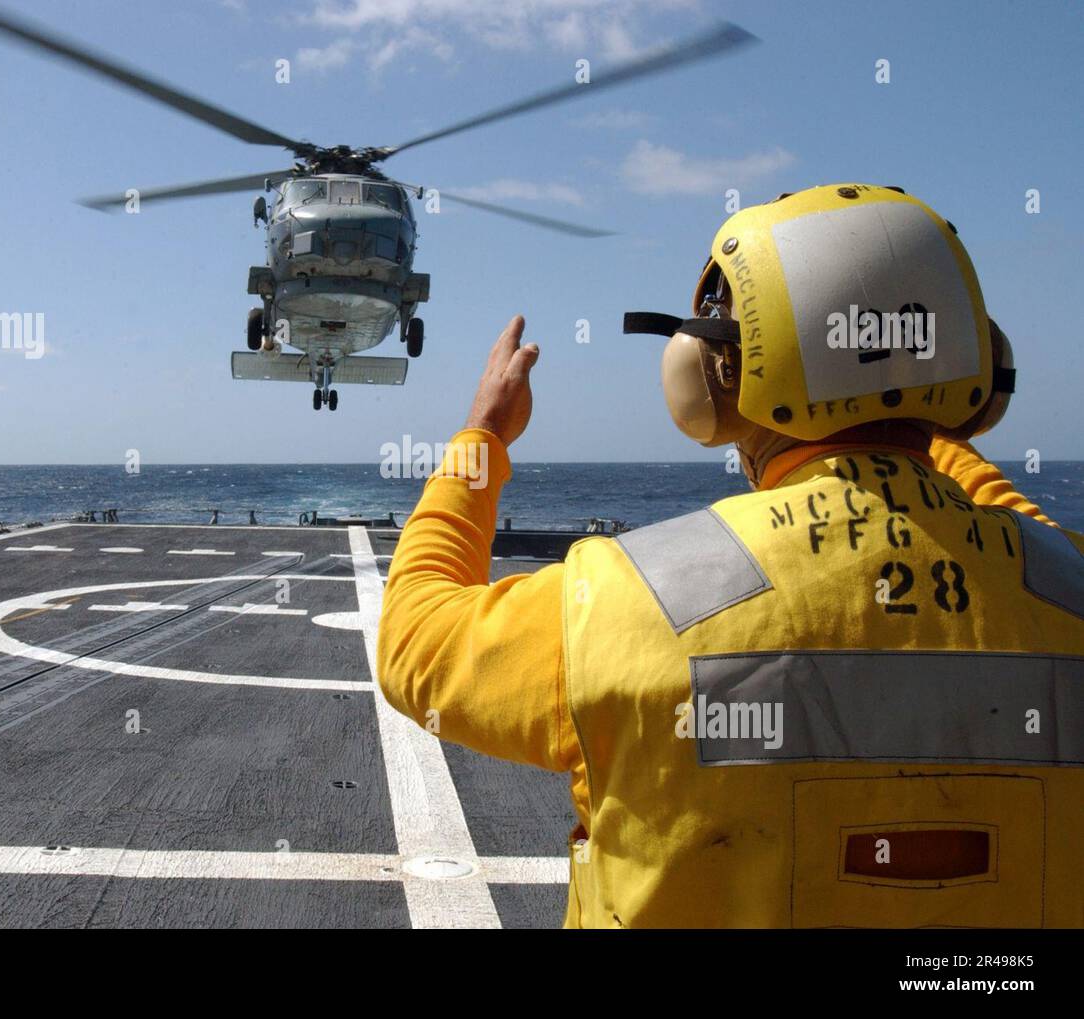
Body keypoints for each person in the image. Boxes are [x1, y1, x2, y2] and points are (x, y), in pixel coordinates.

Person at [376, 183, 1084, 928]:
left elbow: (414, 635)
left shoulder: (628, 601)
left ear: (720, 373)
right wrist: (922, 410)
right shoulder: (1066, 583)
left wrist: (481, 437)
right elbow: (1018, 528)